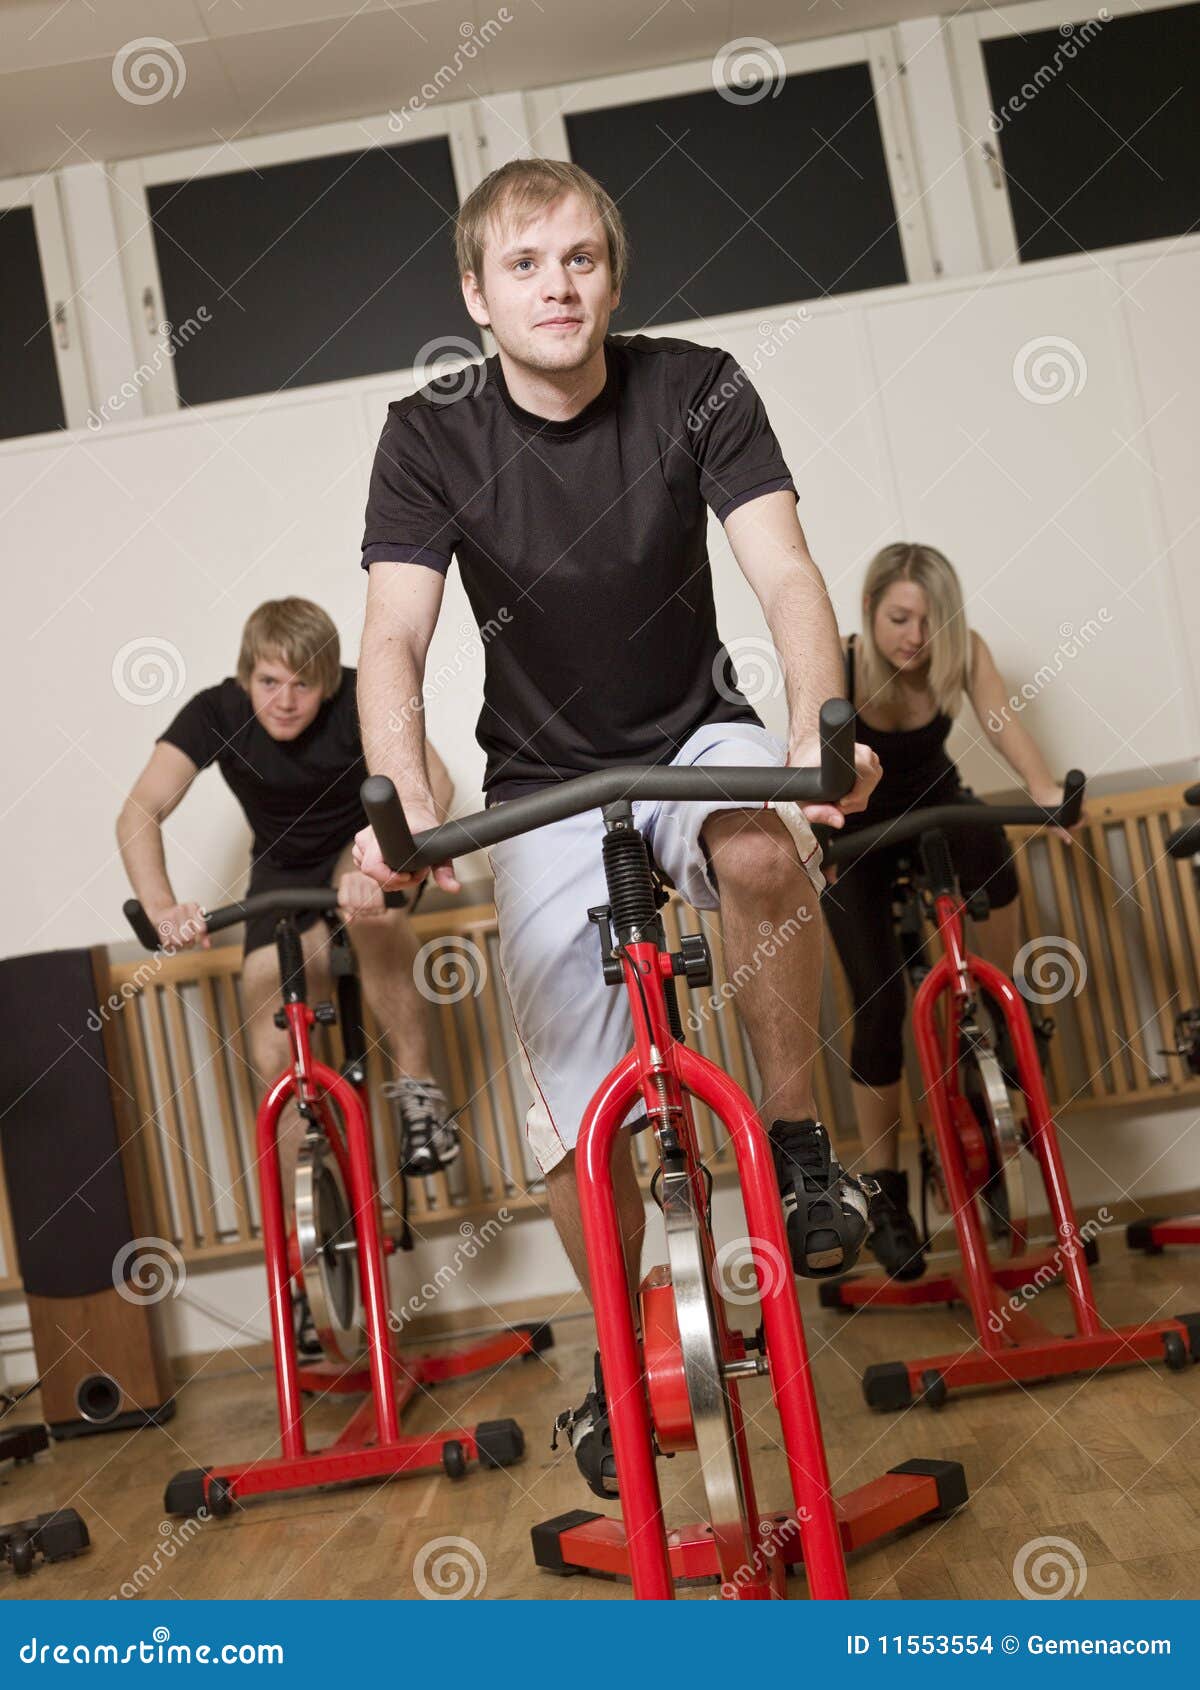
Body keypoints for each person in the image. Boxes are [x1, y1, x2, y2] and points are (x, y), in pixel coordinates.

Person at [351, 158, 881, 1495]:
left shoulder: (697, 383)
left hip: (692, 729)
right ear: (477, 294)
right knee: (585, 1125)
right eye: (525, 265)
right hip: (540, 781)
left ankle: (802, 1139)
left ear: (614, 274)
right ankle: (612, 1353)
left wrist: (823, 726)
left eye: (581, 258)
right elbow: (395, 640)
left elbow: (786, 568)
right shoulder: (428, 432)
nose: (558, 285)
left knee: (762, 845)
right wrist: (408, 803)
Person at [116, 598, 462, 1345]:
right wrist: (163, 903)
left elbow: (431, 781)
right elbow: (138, 811)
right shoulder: (214, 711)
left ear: (328, 683)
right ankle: (300, 1273)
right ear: (246, 676)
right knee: (268, 1022)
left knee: (371, 924)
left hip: (363, 847)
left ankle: (417, 1091)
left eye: (303, 685)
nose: (285, 700)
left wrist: (386, 855)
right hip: (283, 868)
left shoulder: (357, 696)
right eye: (270, 681)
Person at [822, 543, 1079, 1280]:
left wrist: (1045, 790)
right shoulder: (837, 664)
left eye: (931, 623)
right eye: (900, 619)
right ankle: (887, 1197)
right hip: (859, 829)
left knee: (988, 851)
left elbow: (1000, 723)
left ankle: (994, 1035)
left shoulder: (964, 653)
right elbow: (818, 767)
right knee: (878, 1009)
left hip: (937, 806)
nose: (915, 638)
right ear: (869, 610)